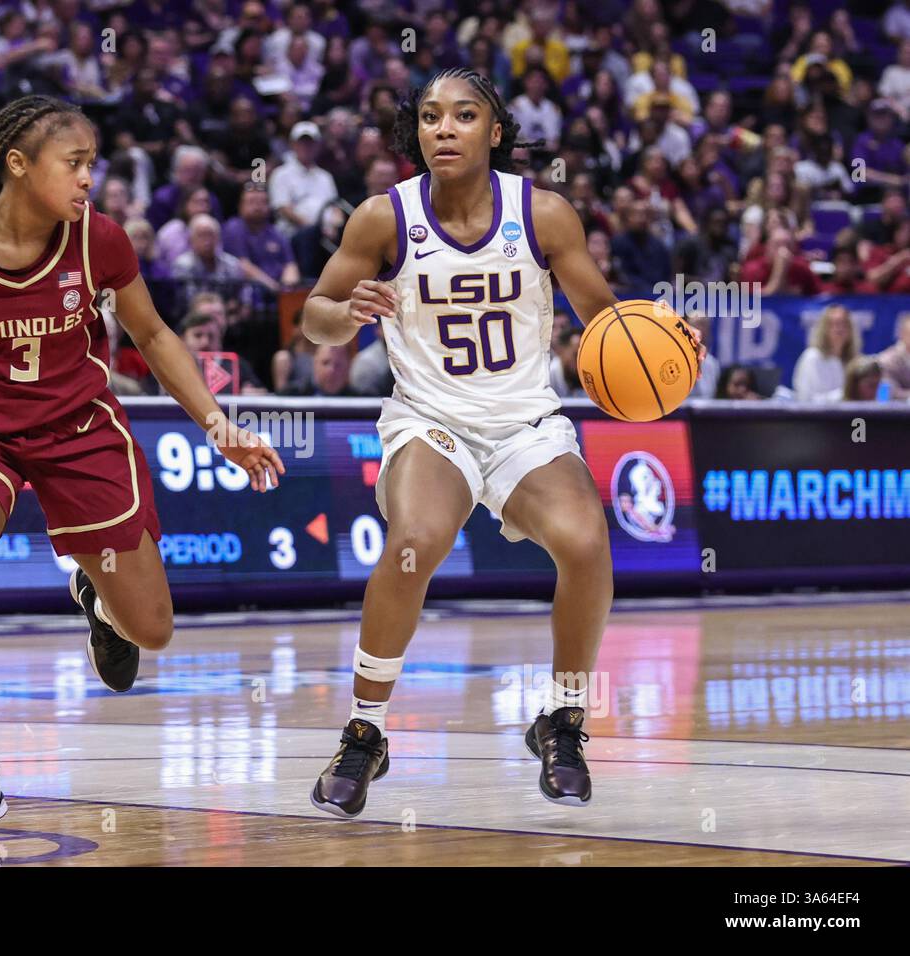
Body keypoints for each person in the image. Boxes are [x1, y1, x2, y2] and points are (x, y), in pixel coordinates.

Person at [0, 95, 283, 840]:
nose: (92, 178)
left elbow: (153, 336)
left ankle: (96, 594)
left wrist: (221, 424)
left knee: (151, 631)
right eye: (77, 163)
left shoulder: (99, 241)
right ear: (19, 166)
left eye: (94, 163)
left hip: (78, 425)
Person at [299, 68, 702, 818]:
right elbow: (314, 317)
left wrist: (666, 339)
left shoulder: (543, 214)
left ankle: (563, 719)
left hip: (523, 421)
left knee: (586, 544)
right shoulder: (381, 220)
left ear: (494, 130)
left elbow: (606, 319)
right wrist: (341, 310)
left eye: (461, 115)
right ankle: (366, 731)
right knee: (416, 539)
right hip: (430, 419)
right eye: (428, 117)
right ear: (415, 133)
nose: (443, 129)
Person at [792, 303, 861, 402]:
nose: (840, 329)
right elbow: (807, 400)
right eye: (836, 324)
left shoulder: (854, 360)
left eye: (845, 324)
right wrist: (846, 393)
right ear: (824, 329)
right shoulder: (812, 357)